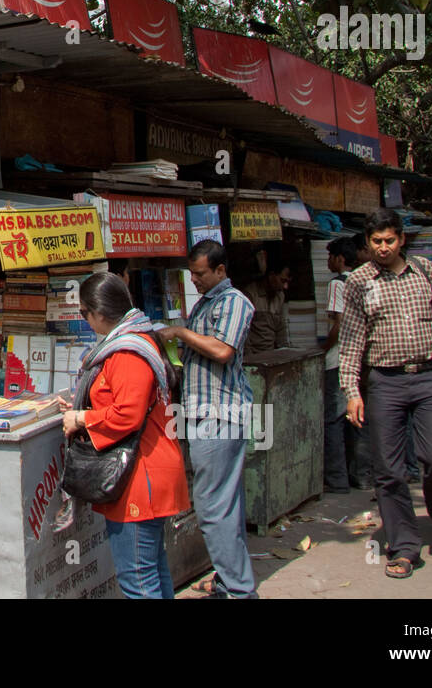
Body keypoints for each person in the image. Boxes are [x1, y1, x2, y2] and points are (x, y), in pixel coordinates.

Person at [339, 209, 432, 580]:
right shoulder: (359, 281)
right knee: (389, 471)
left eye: (389, 240)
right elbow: (351, 339)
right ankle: (404, 547)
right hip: (384, 382)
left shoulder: (425, 271)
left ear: (401, 240)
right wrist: (352, 390)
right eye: (376, 242)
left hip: (430, 377)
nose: (382, 248)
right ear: (367, 243)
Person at [58, 272, 190, 599]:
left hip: (139, 478)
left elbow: (127, 415)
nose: (86, 321)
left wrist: (81, 417)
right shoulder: (137, 338)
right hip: (147, 471)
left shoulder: (127, 352)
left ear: (99, 313)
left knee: (139, 584)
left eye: (84, 314)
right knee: (152, 572)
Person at [156, 239, 258, 598]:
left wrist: (181, 332)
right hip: (204, 412)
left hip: (219, 414)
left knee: (214, 508)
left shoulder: (233, 302)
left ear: (220, 270)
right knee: (225, 508)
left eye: (200, 274)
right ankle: (231, 581)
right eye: (192, 273)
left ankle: (238, 590)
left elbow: (222, 351)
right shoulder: (205, 304)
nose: (194, 280)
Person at [322, 237, 358, 492]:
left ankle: (337, 479)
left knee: (333, 418)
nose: (328, 261)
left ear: (340, 259)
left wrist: (323, 348)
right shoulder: (363, 280)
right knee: (355, 418)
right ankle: (361, 475)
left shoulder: (338, 284)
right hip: (358, 359)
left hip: (338, 359)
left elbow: (339, 322)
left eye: (331, 256)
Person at [245, 255, 291, 355]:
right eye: (283, 281)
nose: (285, 286)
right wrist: (250, 358)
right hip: (252, 356)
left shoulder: (280, 296)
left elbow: (281, 330)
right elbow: (243, 332)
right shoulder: (250, 294)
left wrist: (285, 354)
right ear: (271, 275)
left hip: (271, 355)